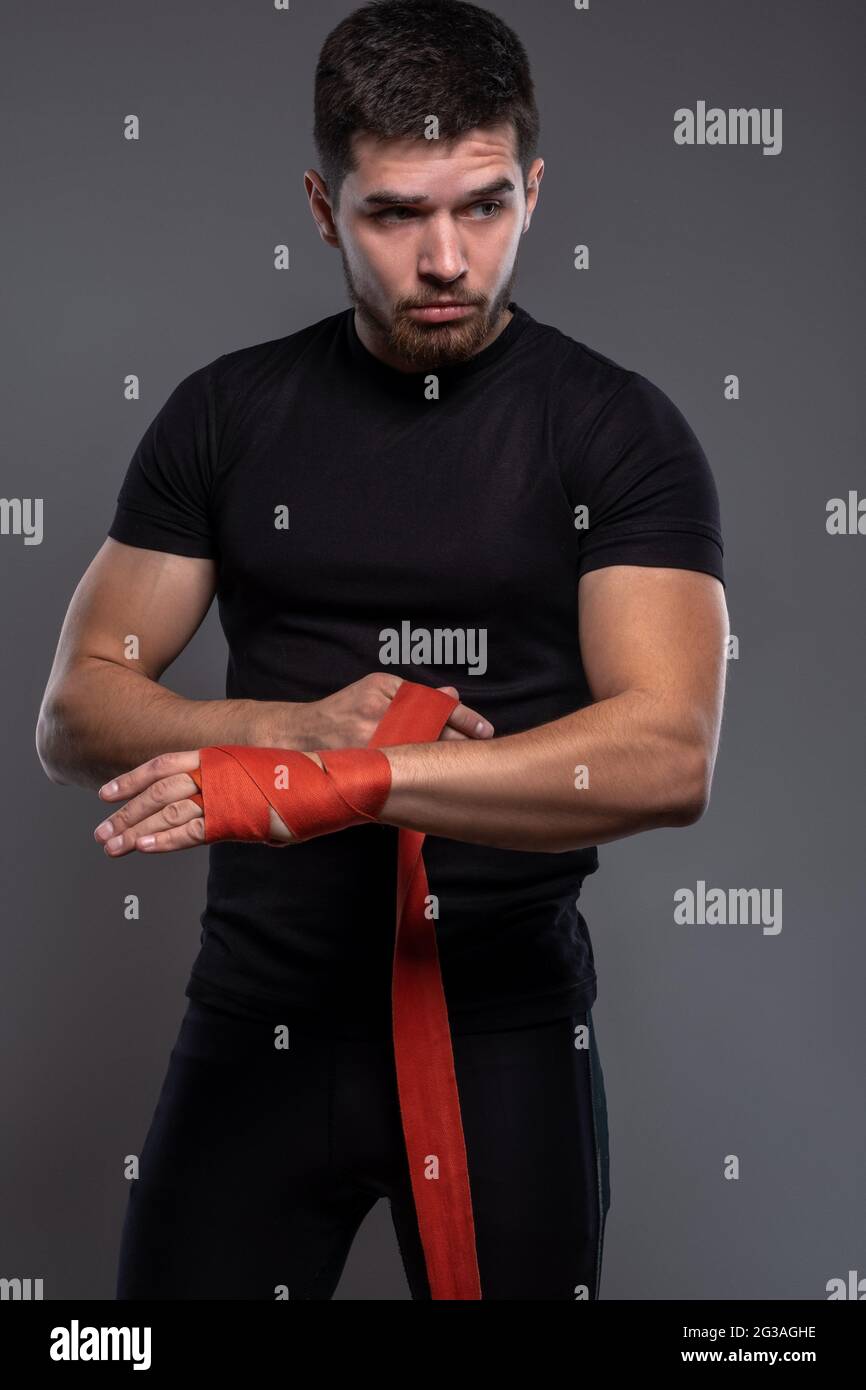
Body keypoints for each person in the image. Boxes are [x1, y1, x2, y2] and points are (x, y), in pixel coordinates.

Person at [35, 0, 728, 1300]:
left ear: (532, 185)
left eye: (480, 206)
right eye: (395, 214)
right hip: (256, 1014)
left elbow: (667, 754)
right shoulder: (227, 416)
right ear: (320, 204)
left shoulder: (615, 433)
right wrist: (284, 732)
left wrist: (353, 784)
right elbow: (76, 711)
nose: (447, 257)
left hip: (496, 1025)